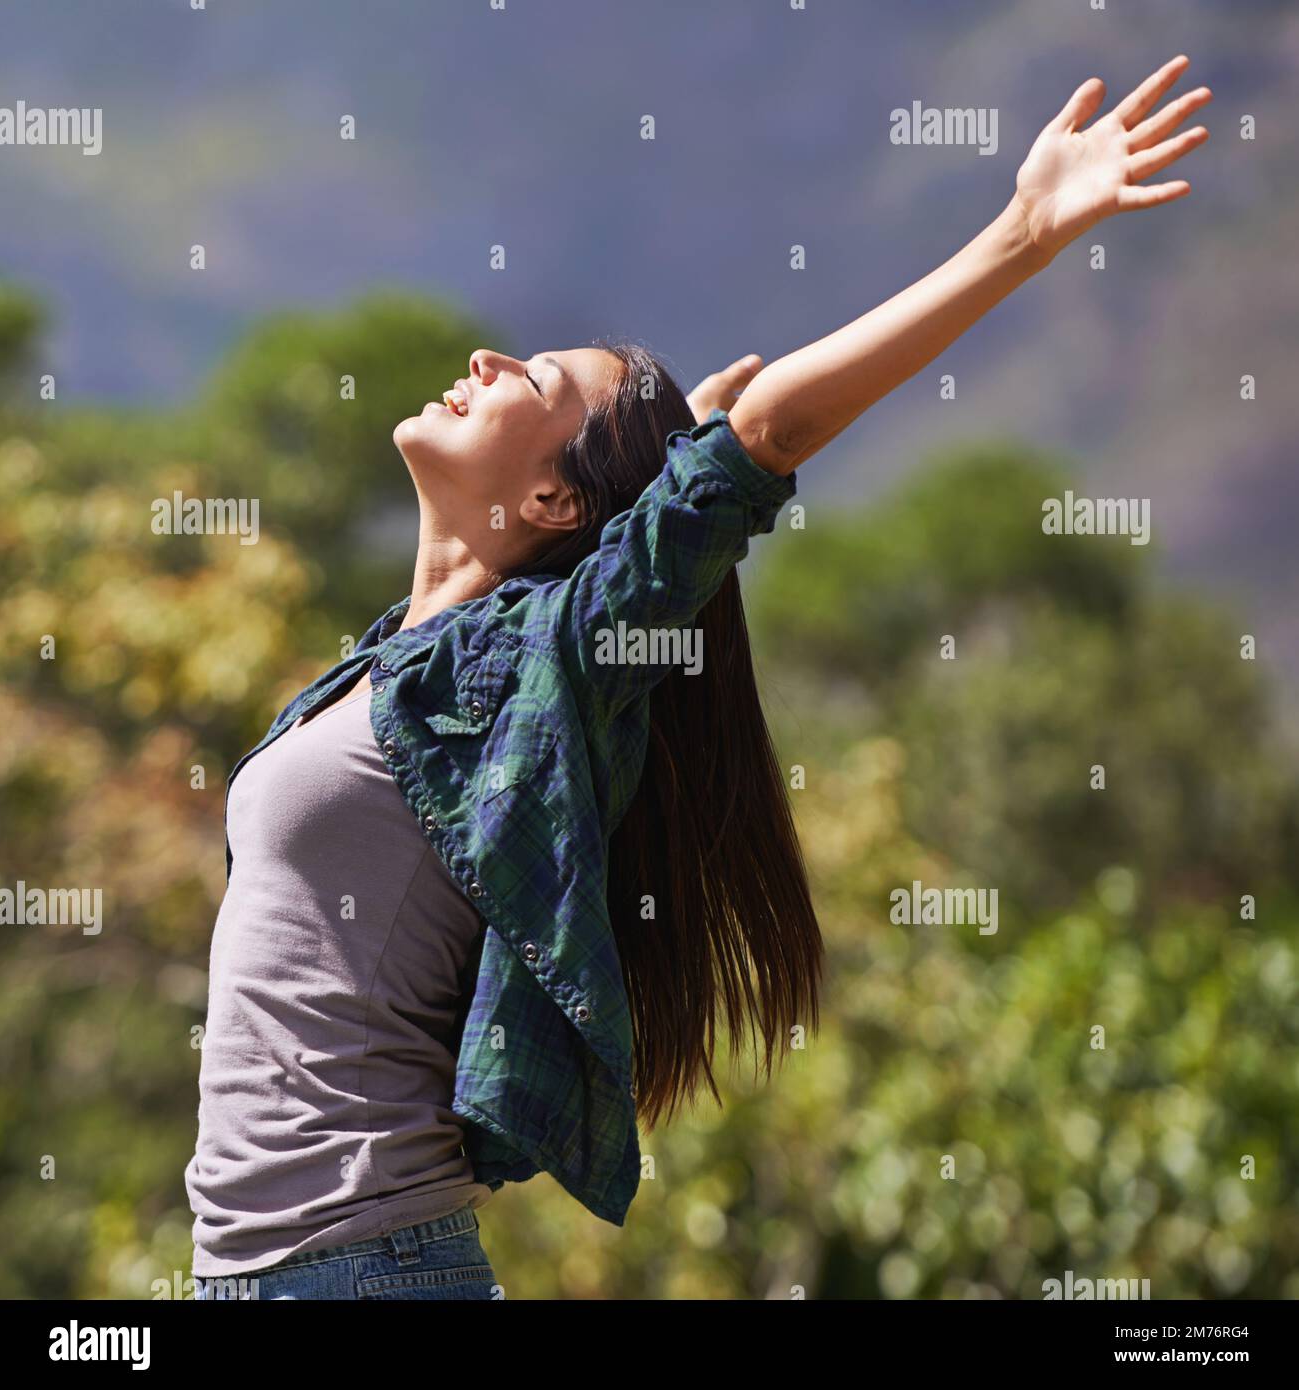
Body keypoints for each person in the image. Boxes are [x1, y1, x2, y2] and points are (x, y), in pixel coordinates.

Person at [187, 55, 1210, 1300]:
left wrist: (1020, 232)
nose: (486, 358)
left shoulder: (543, 664)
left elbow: (765, 441)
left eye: (538, 381)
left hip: (359, 1272)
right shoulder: (394, 668)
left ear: (554, 499)